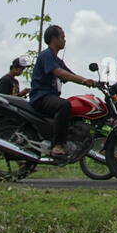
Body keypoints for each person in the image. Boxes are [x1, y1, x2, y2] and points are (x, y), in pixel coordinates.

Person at [29, 25, 100, 157]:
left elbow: (70, 74)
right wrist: (84, 80)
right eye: (62, 37)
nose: (65, 40)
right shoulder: (46, 55)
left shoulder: (57, 60)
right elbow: (60, 73)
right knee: (64, 105)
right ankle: (57, 145)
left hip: (49, 97)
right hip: (41, 97)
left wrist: (94, 83)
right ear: (53, 38)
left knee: (73, 106)